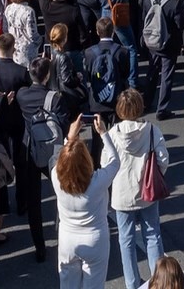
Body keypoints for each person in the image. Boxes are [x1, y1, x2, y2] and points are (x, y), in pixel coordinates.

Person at [105, 89, 171, 289]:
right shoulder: (151, 130)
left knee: (126, 241)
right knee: (152, 235)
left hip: (122, 196)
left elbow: (105, 163)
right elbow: (163, 160)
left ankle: (132, 283)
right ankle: (158, 281)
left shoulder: (112, 135)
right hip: (147, 192)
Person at [53, 116, 122, 289]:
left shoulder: (56, 177)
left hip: (67, 239)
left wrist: (70, 136)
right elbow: (115, 161)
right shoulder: (97, 182)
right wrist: (103, 133)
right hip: (95, 239)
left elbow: (61, 159)